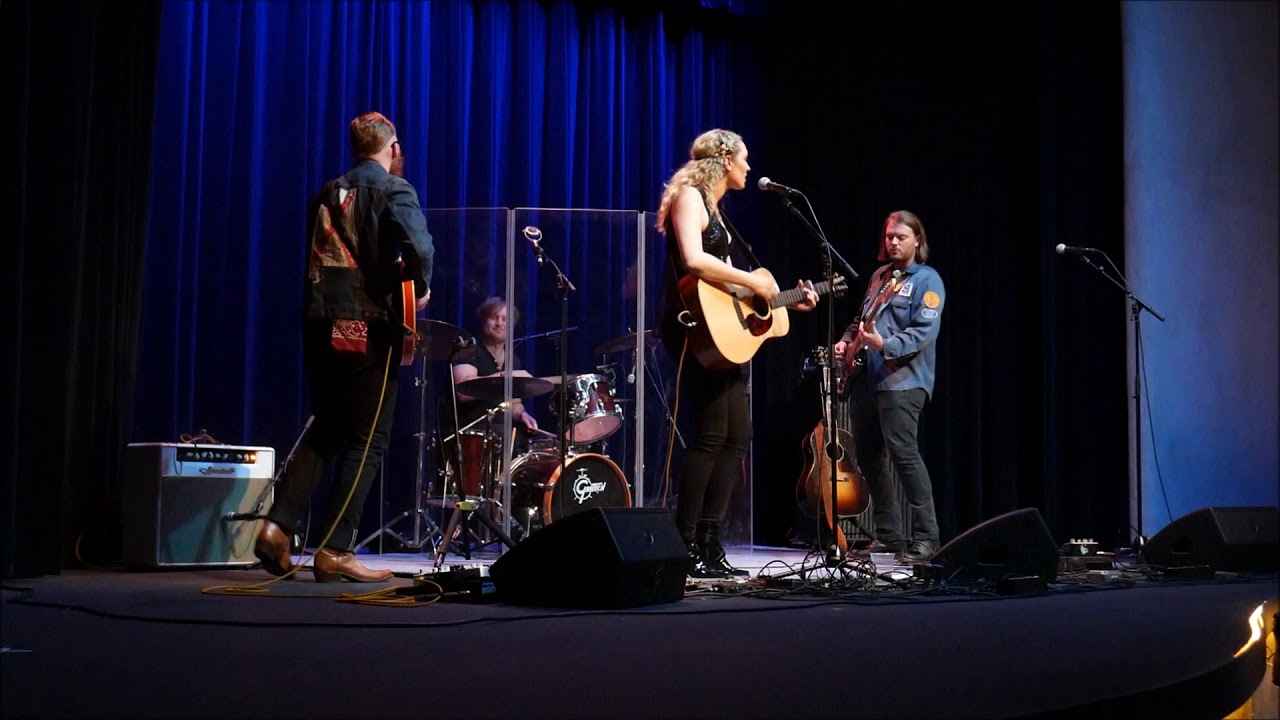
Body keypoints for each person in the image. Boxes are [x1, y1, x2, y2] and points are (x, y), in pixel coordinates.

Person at [254, 111, 434, 582]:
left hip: (319, 320)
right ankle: (335, 549)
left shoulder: (327, 192)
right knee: (367, 437)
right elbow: (421, 247)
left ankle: (276, 528)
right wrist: (420, 288)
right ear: (392, 149)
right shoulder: (393, 188)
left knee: (328, 426)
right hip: (366, 324)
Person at [655, 129, 818, 578]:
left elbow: (729, 287)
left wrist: (781, 297)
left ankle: (709, 543)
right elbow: (693, 260)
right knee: (711, 435)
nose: (749, 167)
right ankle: (683, 543)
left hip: (723, 331)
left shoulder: (720, 213)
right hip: (694, 329)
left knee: (736, 437)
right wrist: (754, 281)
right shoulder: (691, 196)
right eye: (745, 159)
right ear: (726, 159)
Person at [833, 210, 944, 563]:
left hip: (904, 380)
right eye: (889, 237)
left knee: (904, 454)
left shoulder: (928, 280)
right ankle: (890, 535)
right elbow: (862, 320)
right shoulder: (880, 277)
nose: (893, 242)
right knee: (868, 457)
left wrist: (886, 345)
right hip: (868, 380)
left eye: (901, 237)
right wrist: (847, 339)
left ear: (917, 241)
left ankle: (927, 537)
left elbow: (924, 331)